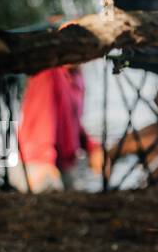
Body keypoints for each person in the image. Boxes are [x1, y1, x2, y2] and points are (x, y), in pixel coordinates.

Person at [14, 63, 102, 191]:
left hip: (63, 163)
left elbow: (73, 123)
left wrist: (93, 147)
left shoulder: (77, 75)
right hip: (38, 160)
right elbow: (40, 121)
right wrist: (43, 161)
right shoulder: (48, 73)